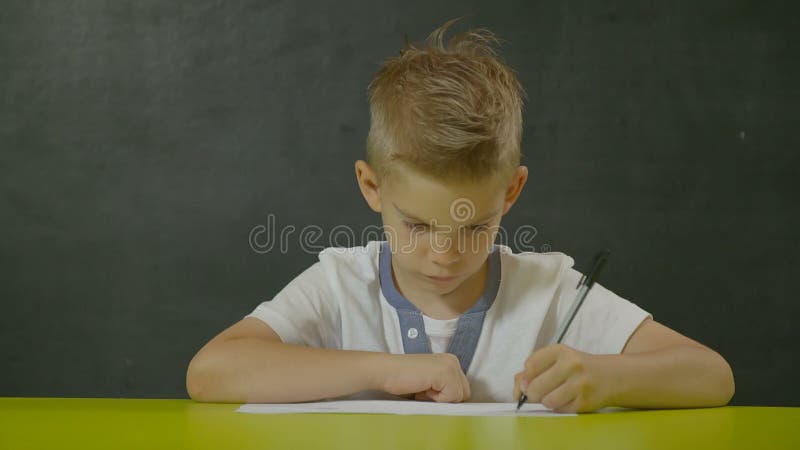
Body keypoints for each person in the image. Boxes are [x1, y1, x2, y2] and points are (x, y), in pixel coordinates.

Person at [186, 18, 734, 412]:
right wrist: (390, 371)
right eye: (419, 226)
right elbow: (211, 373)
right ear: (371, 186)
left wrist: (605, 379)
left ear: (512, 192)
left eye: (473, 227)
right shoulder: (339, 284)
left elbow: (713, 377)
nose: (444, 254)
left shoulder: (549, 292)